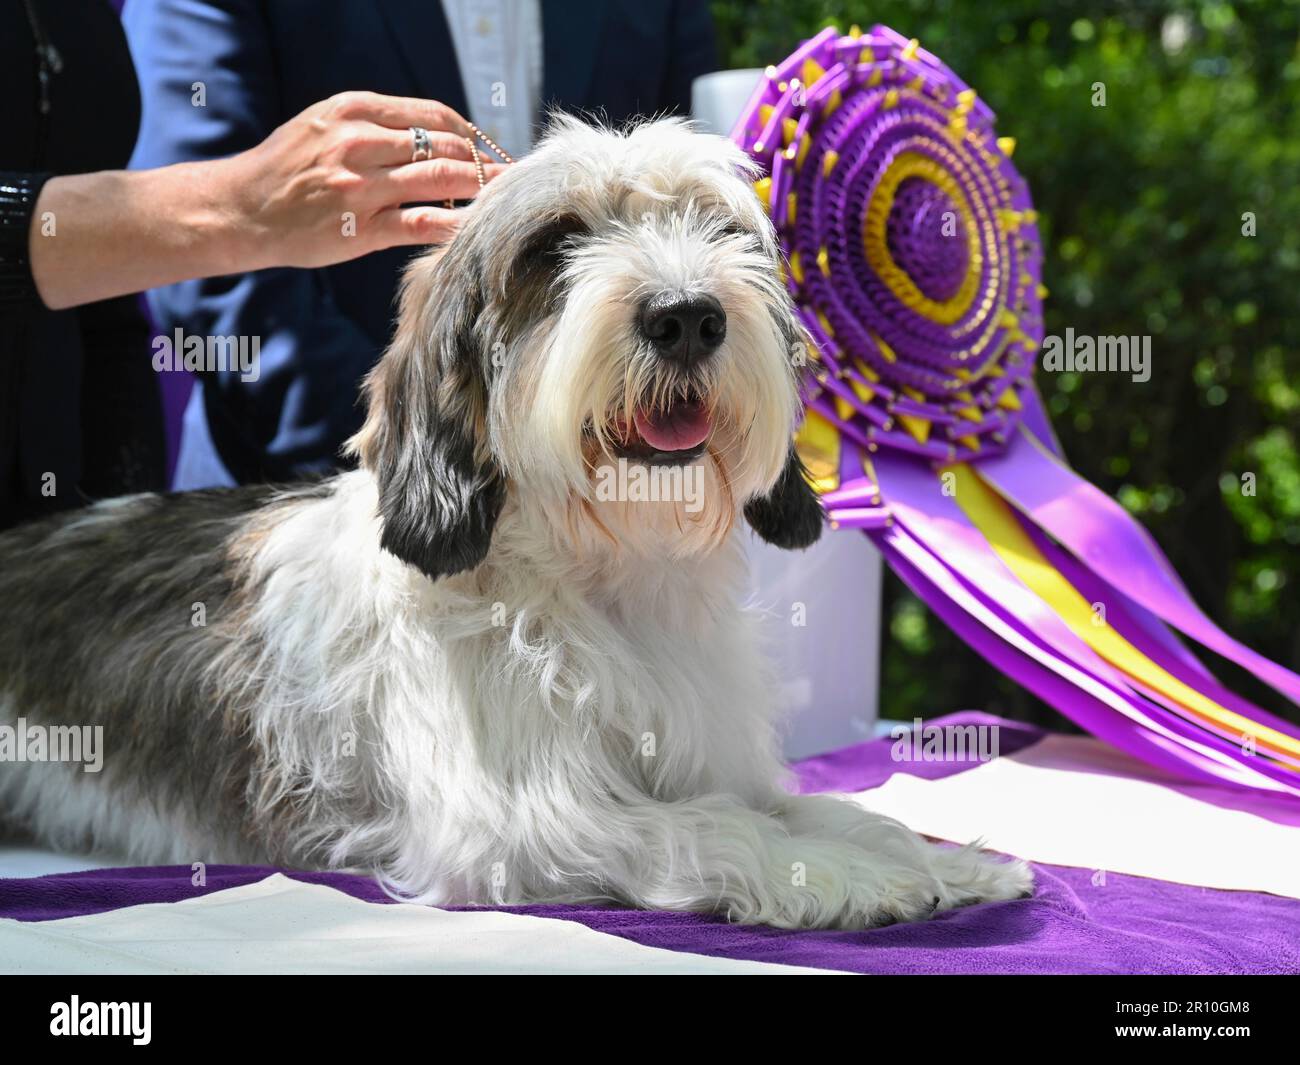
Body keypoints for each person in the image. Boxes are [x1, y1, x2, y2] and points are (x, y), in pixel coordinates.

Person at [125, 0, 718, 489]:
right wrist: (426, 452)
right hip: (308, 501)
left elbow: (689, 196)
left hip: (635, 515)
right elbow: (202, 240)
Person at [0, 0, 499, 530]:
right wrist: (234, 206)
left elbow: (101, 312)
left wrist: (106, 536)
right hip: (323, 500)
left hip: (64, 531)